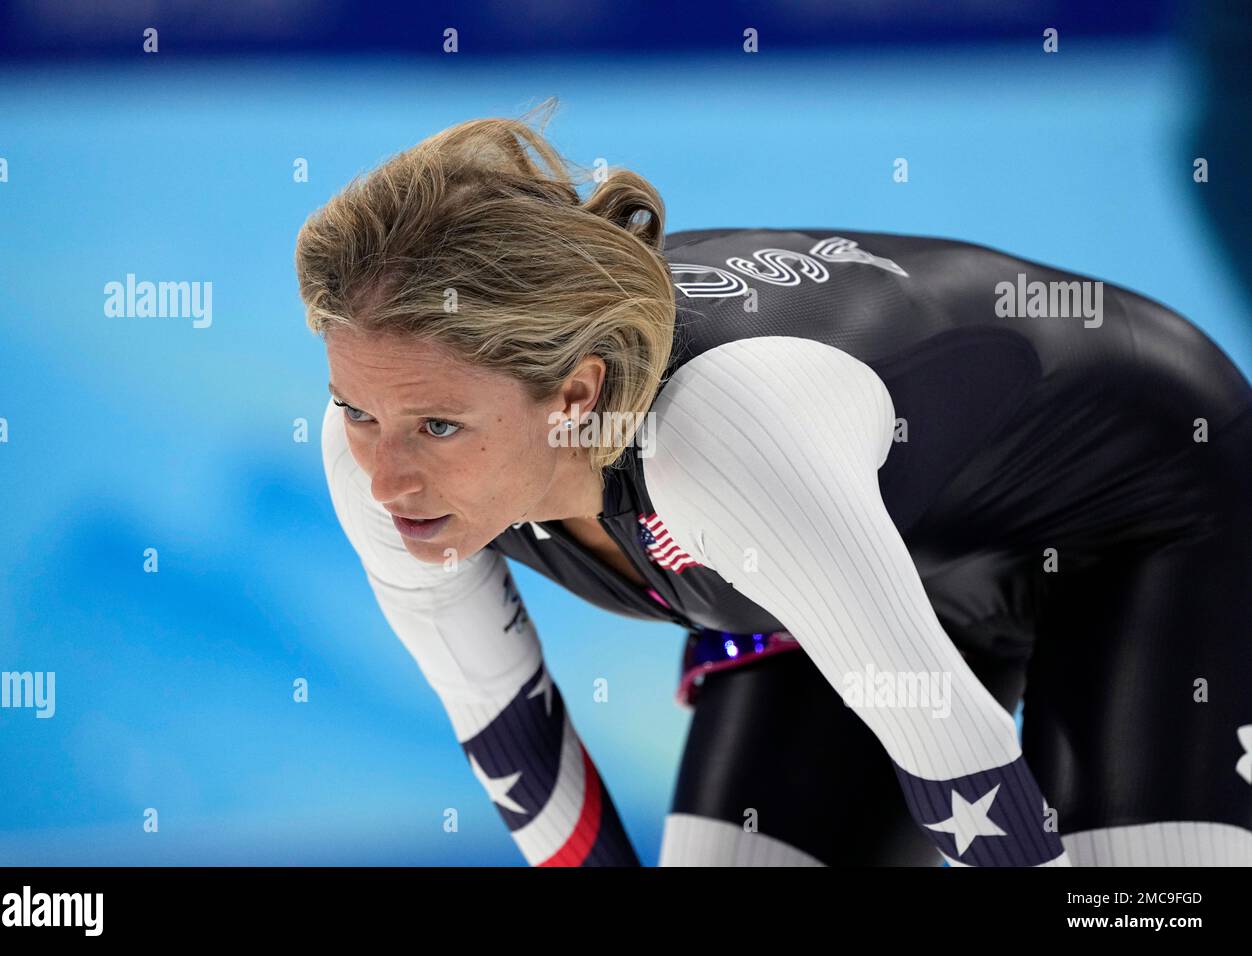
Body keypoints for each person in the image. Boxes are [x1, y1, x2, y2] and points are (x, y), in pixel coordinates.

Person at [296, 100, 1252, 866]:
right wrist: (400, 425)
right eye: (356, 410)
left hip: (1147, 515)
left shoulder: (721, 443)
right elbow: (516, 746)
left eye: (439, 427)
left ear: (576, 397)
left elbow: (958, 757)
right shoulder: (377, 453)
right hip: (860, 545)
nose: (386, 479)